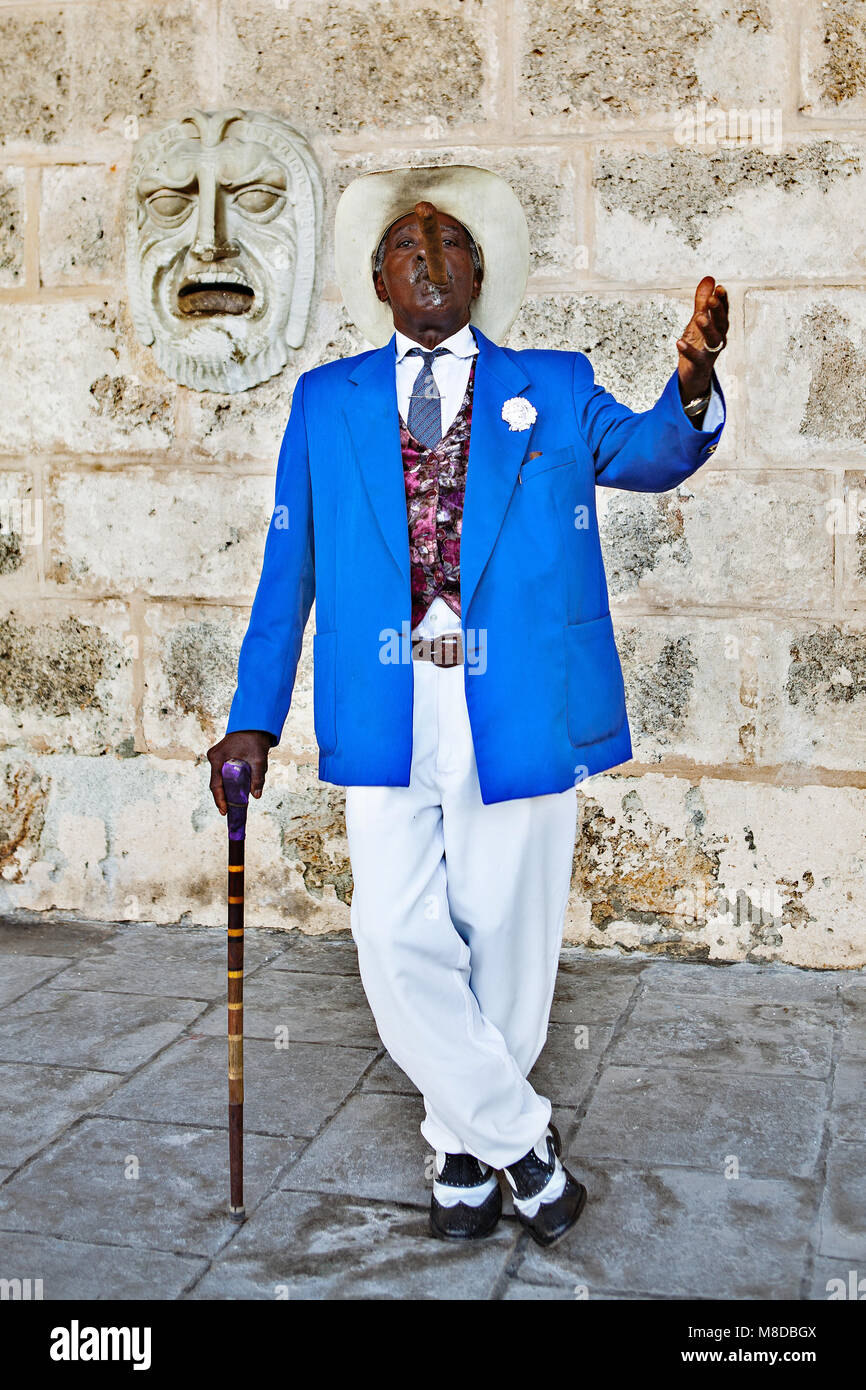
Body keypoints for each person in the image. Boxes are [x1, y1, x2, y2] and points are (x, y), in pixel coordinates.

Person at [207, 165, 728, 1247]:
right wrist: (254, 714)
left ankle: (458, 1151)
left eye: (449, 247)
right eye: (408, 247)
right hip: (383, 694)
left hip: (518, 695)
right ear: (378, 280)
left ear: (478, 273)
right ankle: (522, 1145)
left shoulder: (552, 381)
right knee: (395, 937)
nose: (430, 261)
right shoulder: (327, 399)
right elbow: (286, 565)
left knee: (506, 933)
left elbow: (646, 452)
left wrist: (688, 382)